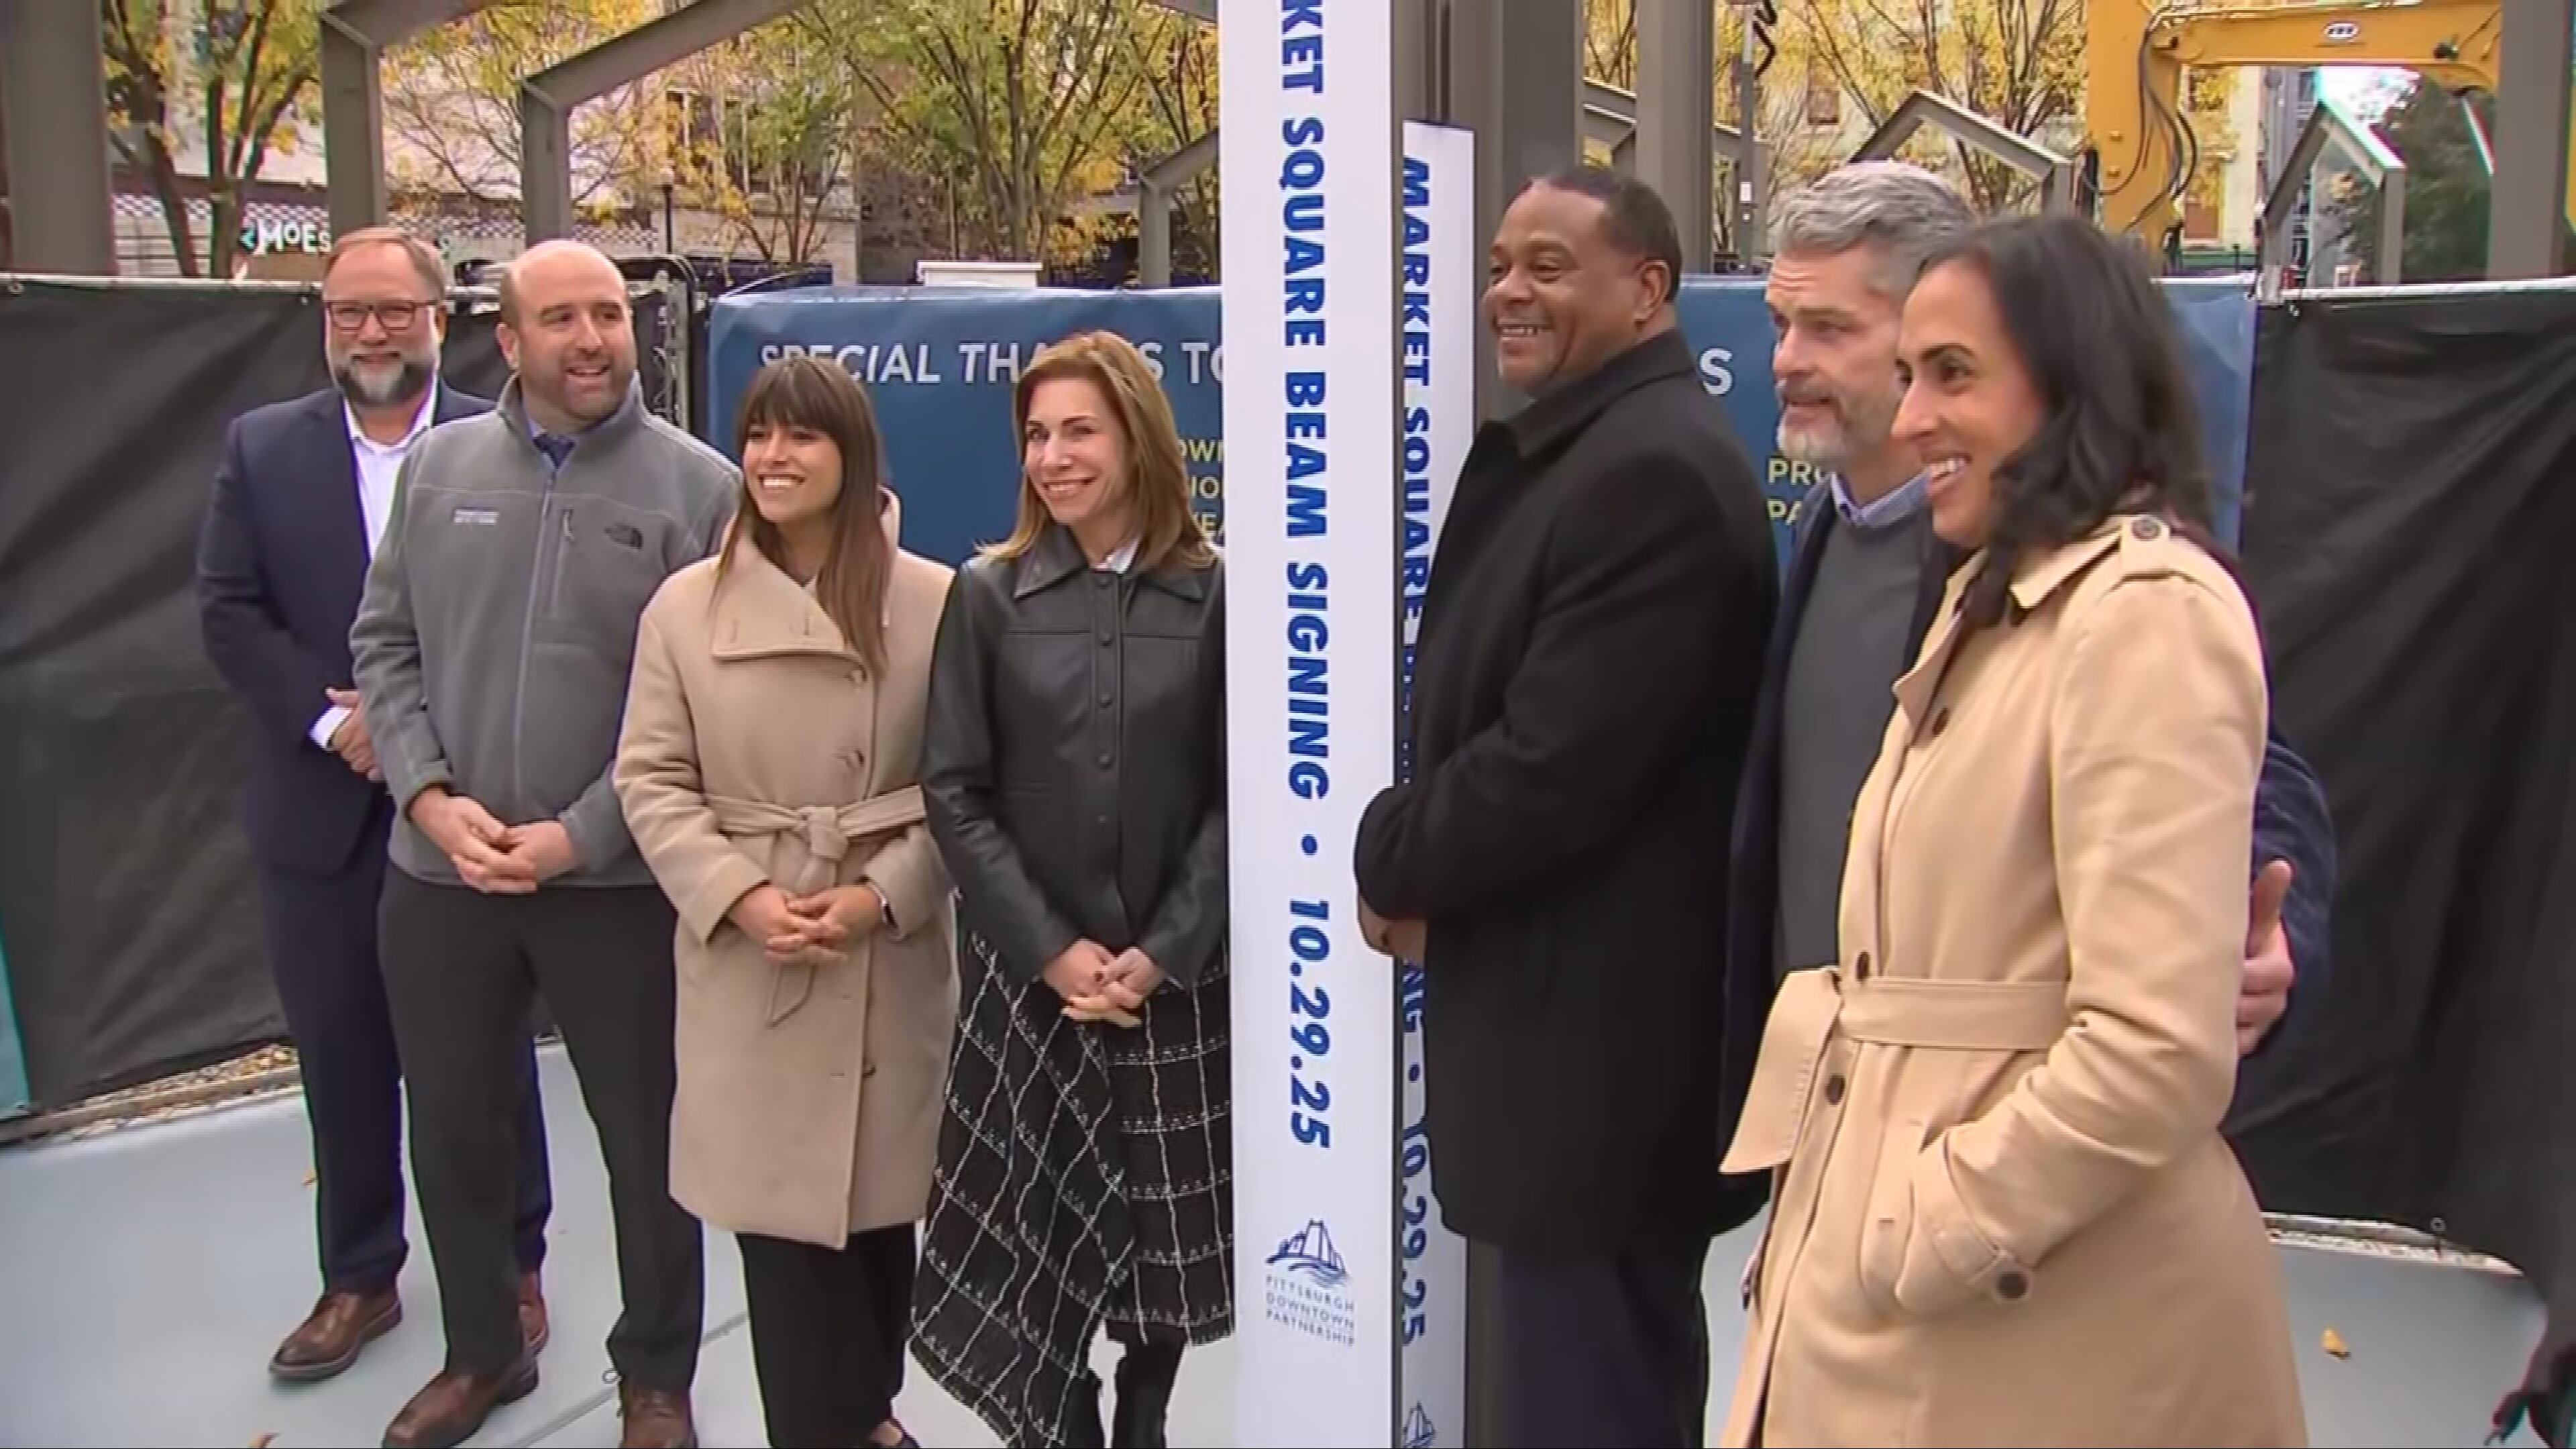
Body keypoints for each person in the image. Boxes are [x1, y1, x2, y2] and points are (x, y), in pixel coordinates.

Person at [1719, 213, 2310, 1447]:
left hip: (2018, 1309)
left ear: (2072, 377)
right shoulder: (1995, 598)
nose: (1914, 410)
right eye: (1911, 372)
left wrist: (1933, 1222)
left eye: (1953, 374)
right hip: (1906, 1285)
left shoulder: (2140, 611)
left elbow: (2154, 1044)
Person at [1352, 166, 1777, 1448]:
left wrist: (1390, 848)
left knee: (1592, 1409)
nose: (1507, 292)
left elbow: (1552, 768)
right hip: (1569, 1070)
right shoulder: (1594, 452)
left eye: (1547, 265)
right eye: (1498, 264)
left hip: (1600, 1086)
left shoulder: (1648, 474)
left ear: (1648, 290)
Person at [350, 239, 735, 1449]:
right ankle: (482, 1352)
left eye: (609, 314)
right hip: (442, 876)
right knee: (456, 1125)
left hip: (612, 887)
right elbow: (385, 647)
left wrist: (577, 837)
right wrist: (427, 798)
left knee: (646, 1144)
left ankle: (656, 1376)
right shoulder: (438, 472)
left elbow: (707, 710)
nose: (590, 338)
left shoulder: (699, 491)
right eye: (558, 318)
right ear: (504, 342)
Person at [195, 225, 555, 1385]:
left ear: (438, 317)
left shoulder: (508, 443)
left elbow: (540, 614)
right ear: (325, 323)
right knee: (341, 1055)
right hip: (321, 814)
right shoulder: (262, 451)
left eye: (393, 311)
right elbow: (229, 611)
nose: (371, 332)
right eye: (349, 313)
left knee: (486, 1055)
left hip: (469, 804)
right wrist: (338, 722)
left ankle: (511, 1266)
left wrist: (423, 739)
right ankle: (360, 1276)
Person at [614, 356, 953, 1449]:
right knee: (787, 1240)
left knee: (875, 1231)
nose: (772, 457)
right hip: (752, 963)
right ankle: (835, 1428)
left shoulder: (939, 601)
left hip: (883, 957)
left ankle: (867, 1418)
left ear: (851, 454)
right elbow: (650, 780)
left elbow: (966, 788)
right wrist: (742, 896)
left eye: (800, 436)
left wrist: (883, 895)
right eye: (758, 434)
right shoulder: (683, 608)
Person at [910, 331, 1230, 1449]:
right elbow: (951, 790)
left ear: (1136, 434)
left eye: (1079, 430)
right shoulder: (987, 595)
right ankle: (1063, 1422)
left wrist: (1168, 948)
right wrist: (1051, 950)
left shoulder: (1217, 593)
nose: (1053, 456)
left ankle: (1146, 1408)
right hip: (1031, 989)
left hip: (1171, 988)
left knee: (1160, 1242)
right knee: (1034, 1238)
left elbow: (1244, 803)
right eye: (1037, 435)